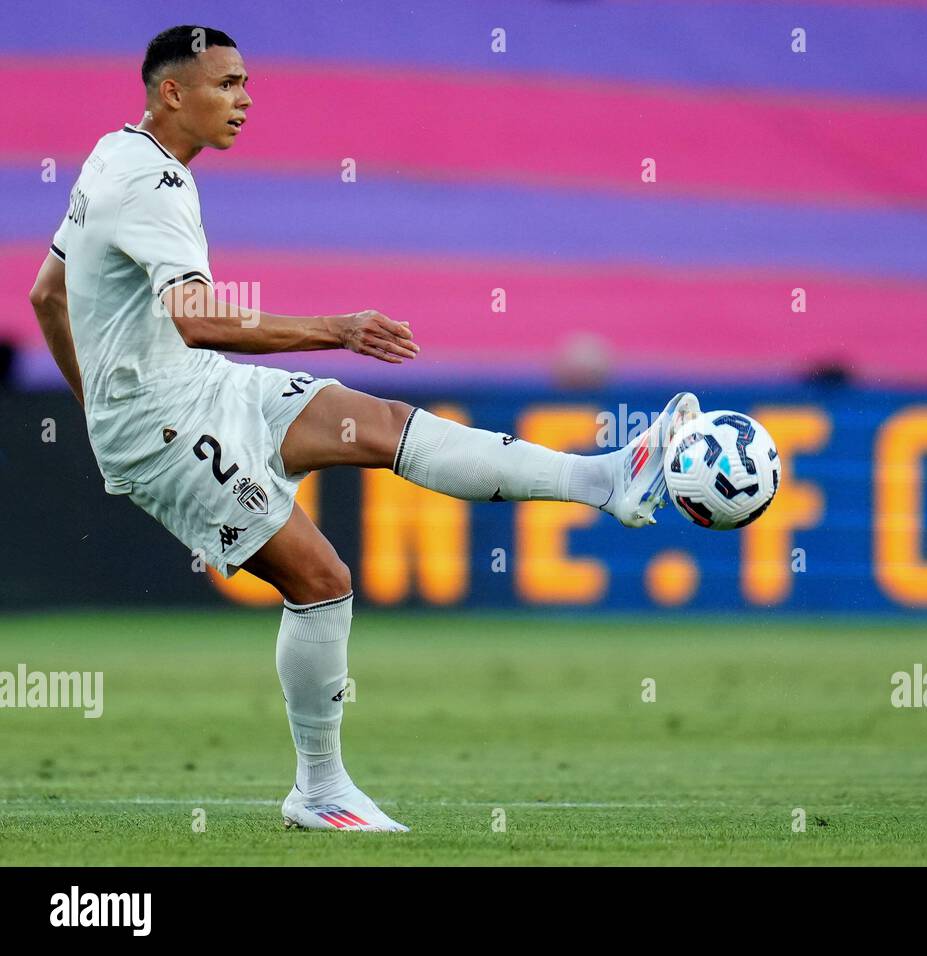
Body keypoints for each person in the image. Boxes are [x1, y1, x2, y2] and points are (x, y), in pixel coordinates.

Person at [27, 25, 699, 832]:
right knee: (324, 582)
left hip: (196, 390)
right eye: (227, 83)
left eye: (246, 83)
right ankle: (319, 790)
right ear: (173, 92)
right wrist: (337, 327)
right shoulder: (152, 186)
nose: (245, 99)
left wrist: (91, 403)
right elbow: (198, 320)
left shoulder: (113, 154)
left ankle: (606, 480)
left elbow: (47, 295)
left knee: (378, 423)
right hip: (164, 427)